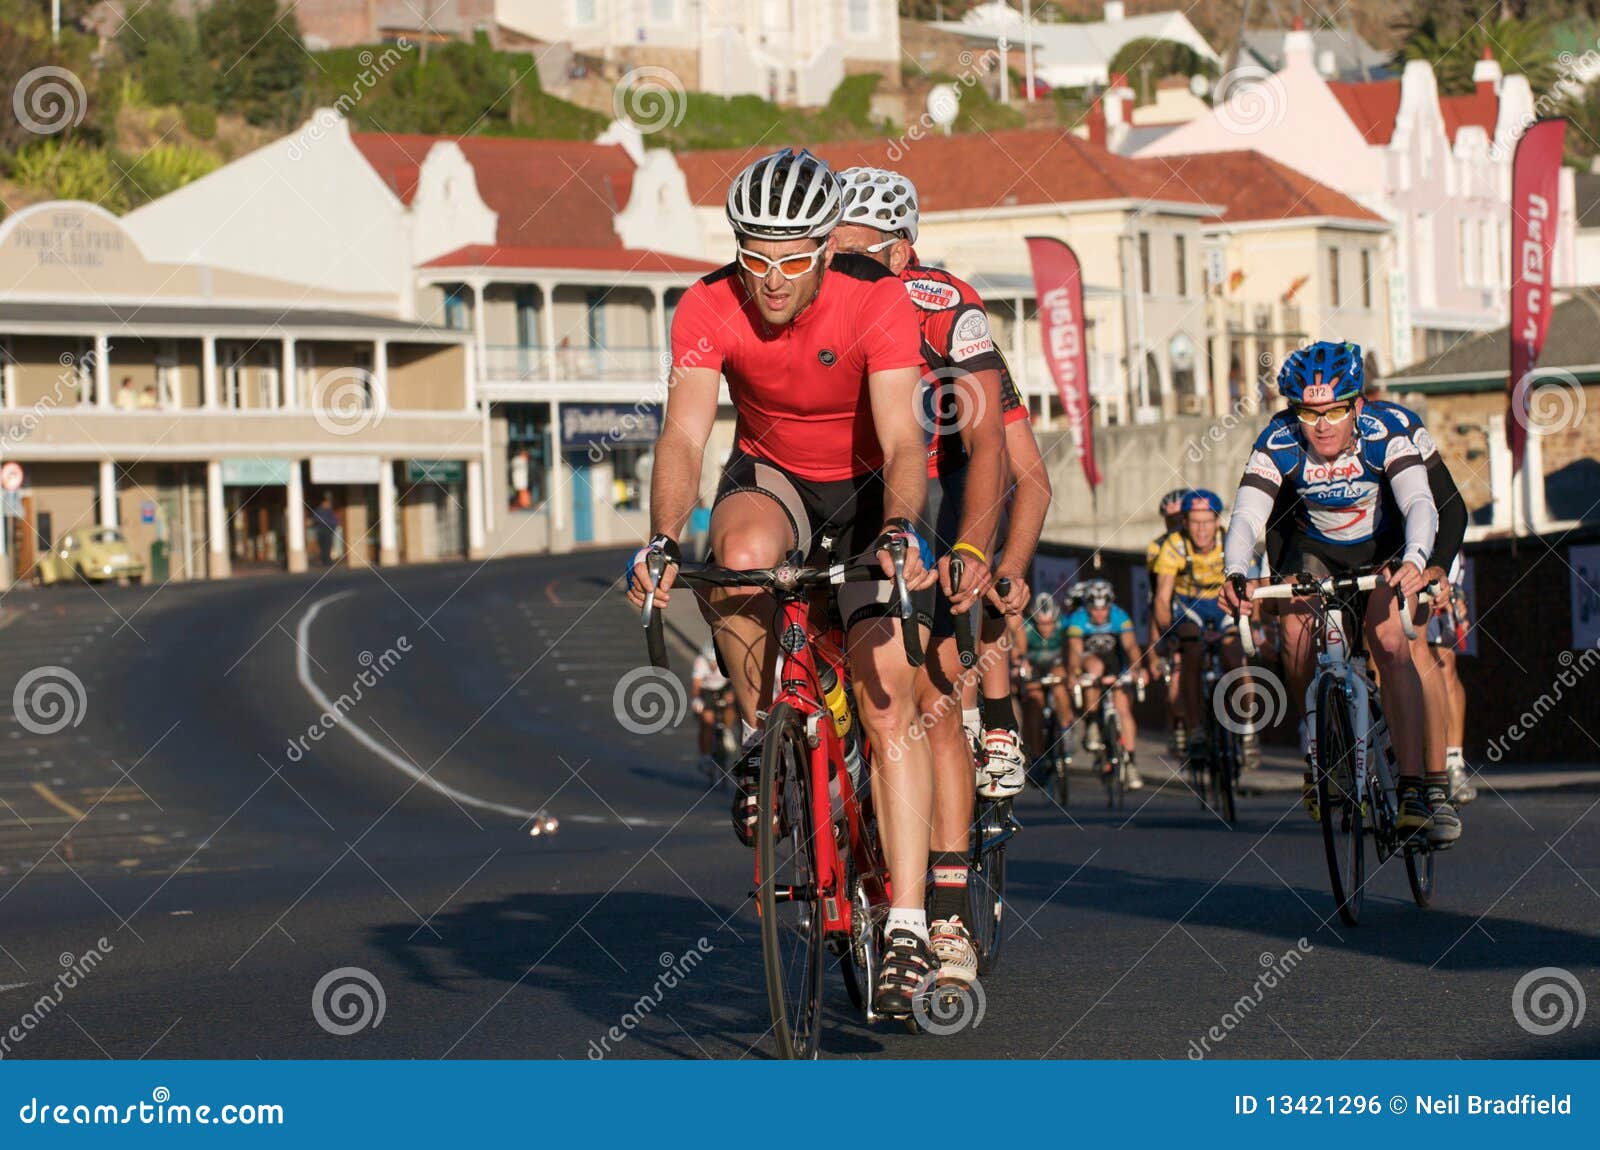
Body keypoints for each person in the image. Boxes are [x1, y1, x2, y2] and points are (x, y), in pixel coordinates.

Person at [625, 148, 942, 1019]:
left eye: (793, 258)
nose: (772, 279)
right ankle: (776, 728)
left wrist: (902, 531)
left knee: (889, 705)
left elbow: (907, 442)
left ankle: (909, 923)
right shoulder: (706, 303)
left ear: (825, 245)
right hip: (776, 477)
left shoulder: (875, 299)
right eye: (754, 255)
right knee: (735, 558)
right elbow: (685, 437)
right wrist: (659, 538)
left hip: (874, 485)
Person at [1219, 340, 1457, 846]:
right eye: (1309, 412)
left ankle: (1416, 788)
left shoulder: (1387, 429)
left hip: (1386, 546)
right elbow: (1246, 516)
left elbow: (1421, 502)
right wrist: (1236, 572)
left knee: (1393, 641)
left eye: (1335, 410)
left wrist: (1419, 562)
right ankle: (1320, 751)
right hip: (1313, 547)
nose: (1322, 424)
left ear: (1358, 404)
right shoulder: (1278, 440)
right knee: (1296, 634)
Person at [1151, 489, 1255, 770]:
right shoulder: (1174, 545)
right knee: (1191, 654)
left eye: (1207, 521)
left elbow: (1253, 587)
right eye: (1194, 522)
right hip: (1190, 605)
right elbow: (1162, 597)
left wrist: (1253, 626)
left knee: (1235, 655)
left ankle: (1246, 730)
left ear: (1217, 521)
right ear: (1184, 522)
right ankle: (1196, 729)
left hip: (1224, 602)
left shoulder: (1231, 539)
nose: (1201, 529)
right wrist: (1168, 633)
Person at [1064, 580, 1146, 787]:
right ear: (1087, 606)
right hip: (1091, 663)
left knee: (1124, 710)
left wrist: (1136, 669)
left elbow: (1131, 646)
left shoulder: (1120, 616)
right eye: (1094, 610)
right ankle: (1092, 721)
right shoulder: (1079, 618)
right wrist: (1074, 672)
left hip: (1116, 665)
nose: (1099, 614)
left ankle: (1131, 761)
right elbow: (1074, 650)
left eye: (1103, 609)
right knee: (1094, 668)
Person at [1012, 593, 1074, 781]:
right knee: (1034, 702)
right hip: (1035, 667)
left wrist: (1072, 672)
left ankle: (1066, 728)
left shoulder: (1064, 625)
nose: (1045, 628)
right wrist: (1020, 664)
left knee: (1060, 688)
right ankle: (1037, 757)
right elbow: (1019, 652)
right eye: (1041, 624)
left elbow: (1073, 650)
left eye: (1049, 624)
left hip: (1056, 665)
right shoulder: (1027, 627)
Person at [1147, 489, 1190, 755]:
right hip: (1173, 606)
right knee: (1174, 679)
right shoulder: (1157, 547)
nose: (1175, 524)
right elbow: (1156, 599)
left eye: (1180, 518)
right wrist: (1154, 649)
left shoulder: (1208, 536)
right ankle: (1180, 725)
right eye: (1169, 519)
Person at [690, 640, 736, 763]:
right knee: (707, 721)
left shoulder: (726, 659)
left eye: (715, 662)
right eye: (710, 662)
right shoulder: (700, 662)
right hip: (706, 691)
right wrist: (696, 699)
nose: (713, 665)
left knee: (731, 704)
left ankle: (727, 730)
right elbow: (696, 685)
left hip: (723, 688)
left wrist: (731, 693)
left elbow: (734, 680)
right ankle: (705, 754)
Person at [311, 495, 339, 566]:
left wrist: (333, 527)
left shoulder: (330, 511)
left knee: (328, 546)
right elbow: (317, 519)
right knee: (323, 546)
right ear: (324, 503)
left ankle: (327, 560)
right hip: (321, 531)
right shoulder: (319, 511)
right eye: (327, 503)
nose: (329, 505)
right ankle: (324, 560)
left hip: (328, 531)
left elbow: (335, 521)